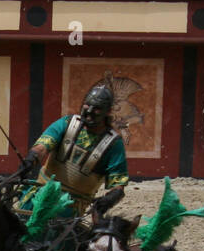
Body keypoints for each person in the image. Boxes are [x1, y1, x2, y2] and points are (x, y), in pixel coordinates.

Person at [16, 83, 130, 219]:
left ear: (108, 111)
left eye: (97, 108)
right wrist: (31, 160)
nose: (90, 111)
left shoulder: (113, 144)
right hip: (39, 194)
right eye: (87, 105)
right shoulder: (67, 123)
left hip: (71, 208)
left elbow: (118, 185)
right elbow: (42, 147)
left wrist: (109, 199)